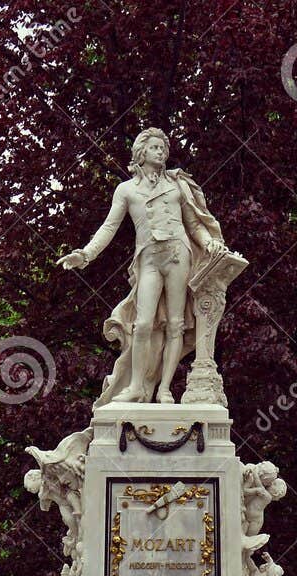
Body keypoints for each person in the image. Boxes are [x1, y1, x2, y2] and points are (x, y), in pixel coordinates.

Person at [57, 128, 230, 405]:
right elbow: (109, 227)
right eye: (154, 147)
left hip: (178, 254)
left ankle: (164, 388)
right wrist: (86, 254)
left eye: (163, 148)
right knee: (143, 323)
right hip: (148, 258)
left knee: (176, 324)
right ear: (141, 152)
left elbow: (195, 224)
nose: (160, 152)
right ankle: (136, 387)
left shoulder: (177, 185)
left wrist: (210, 242)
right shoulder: (126, 190)